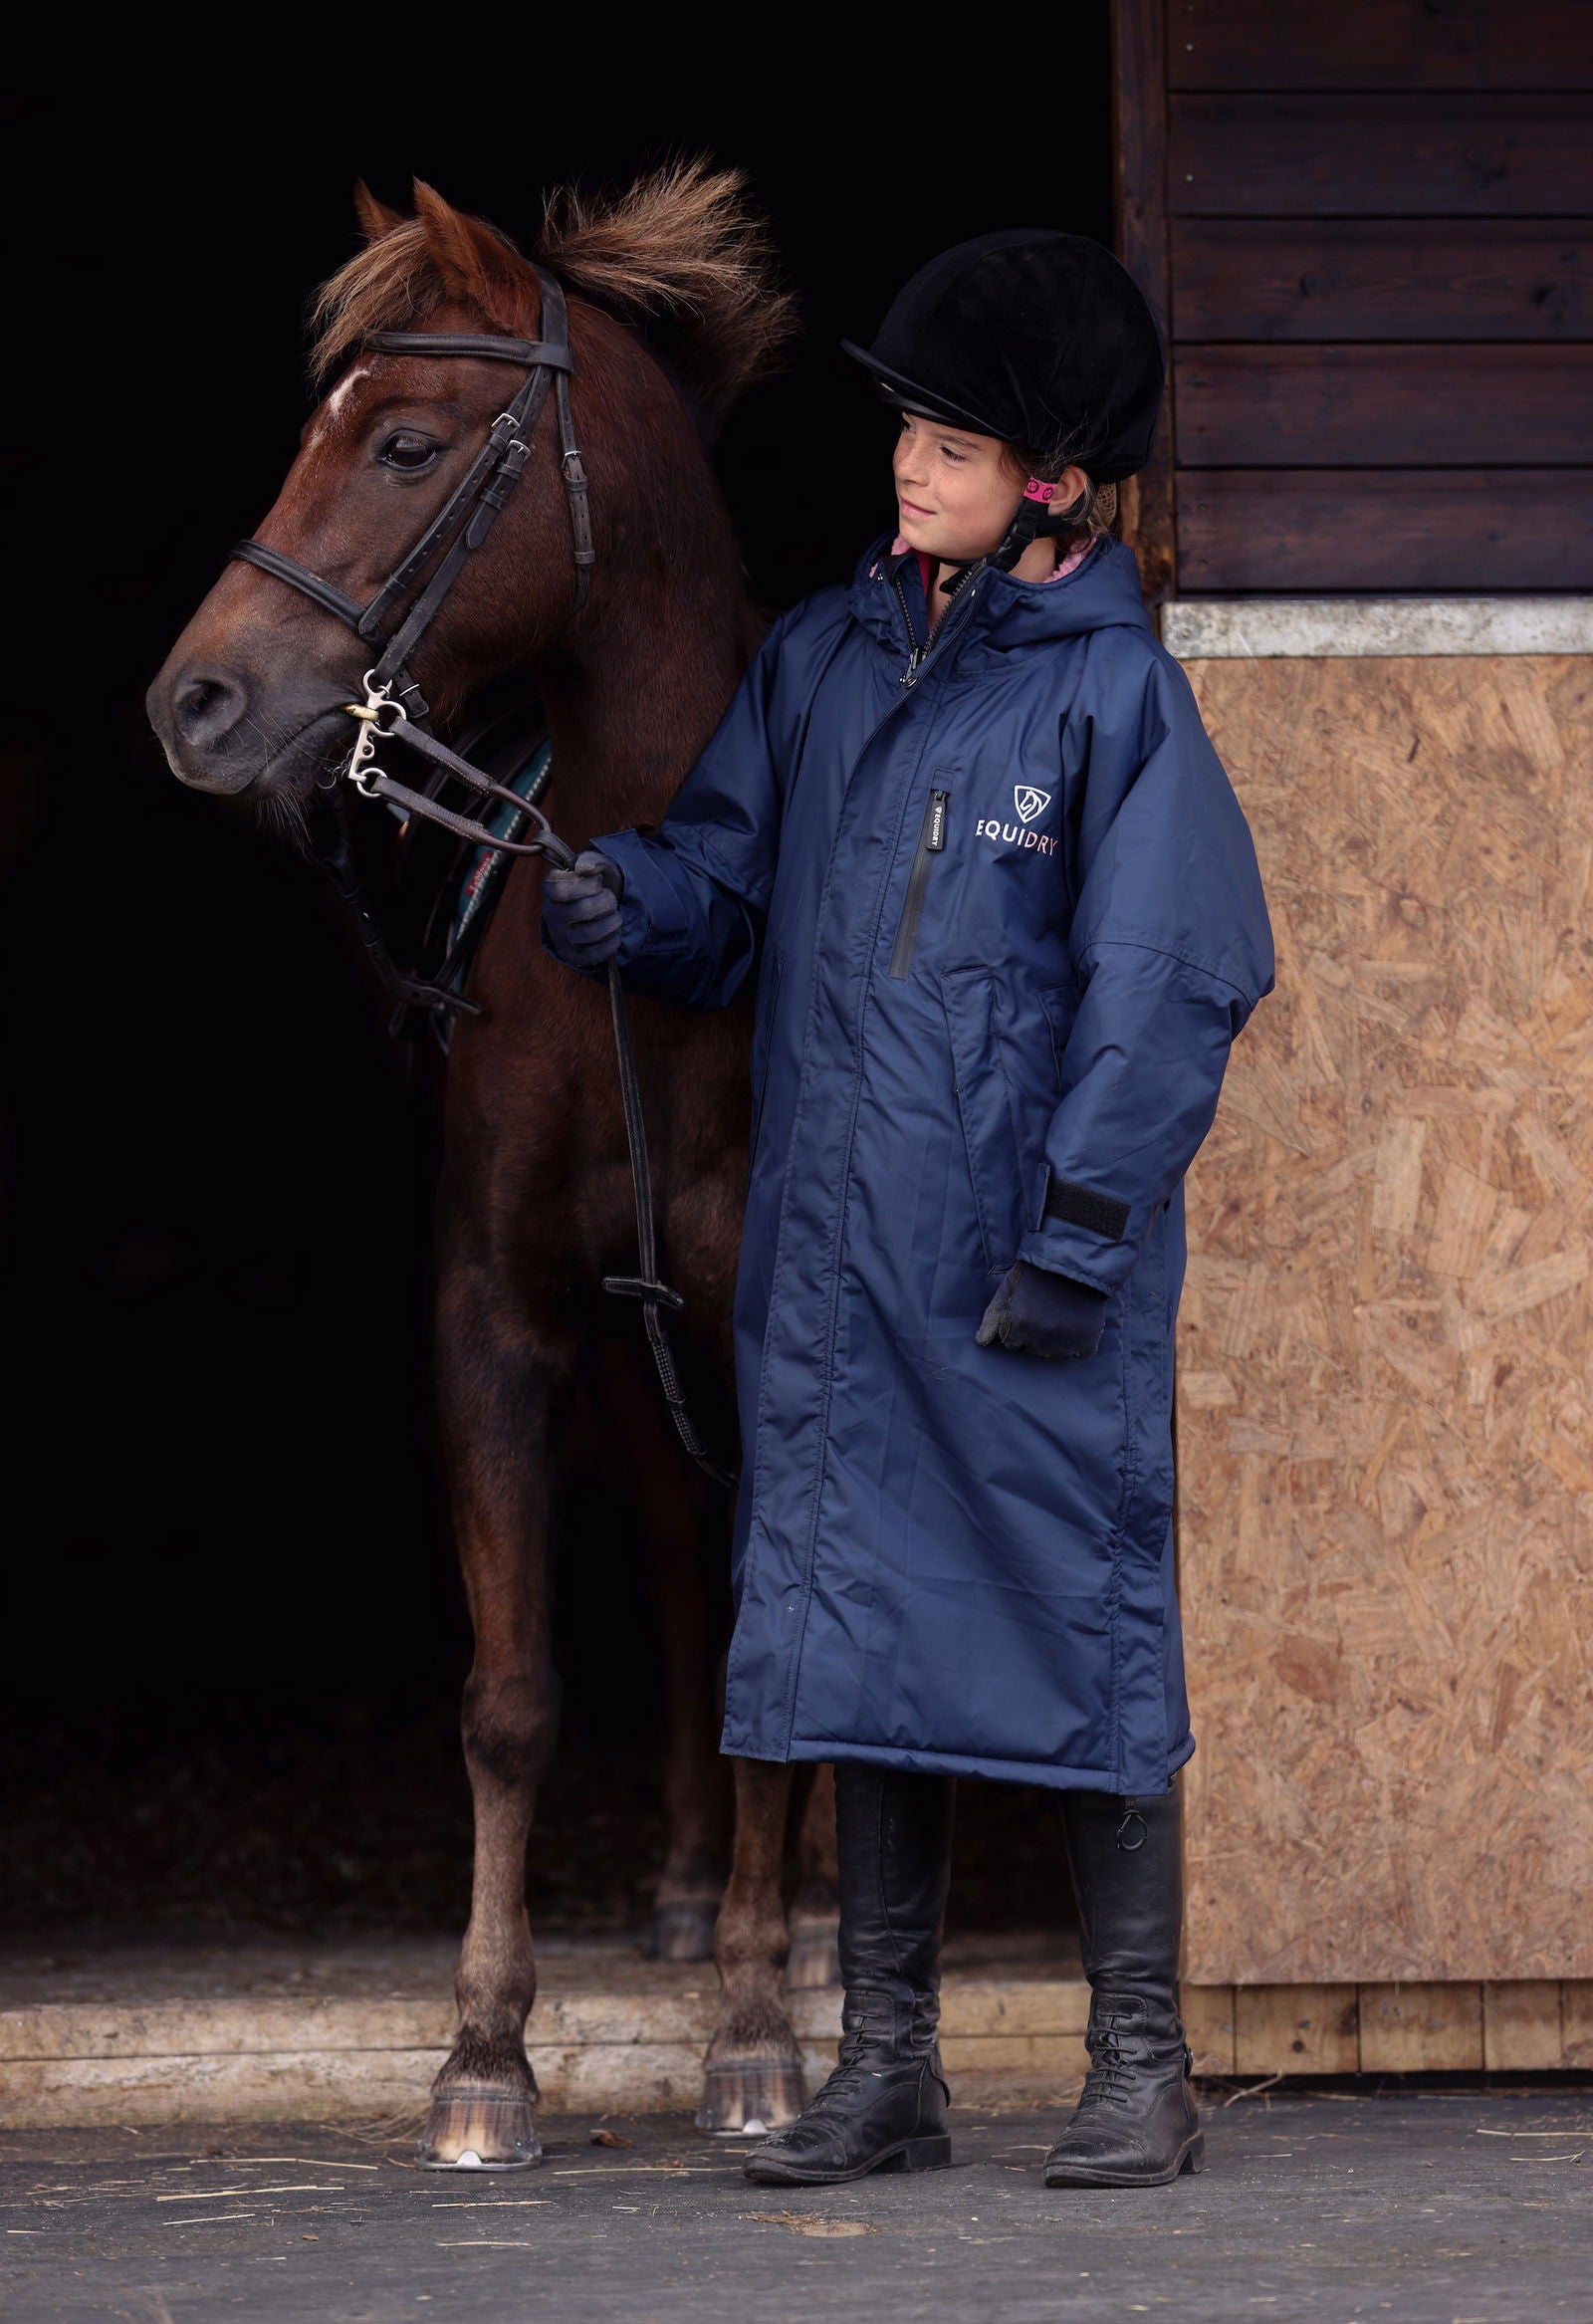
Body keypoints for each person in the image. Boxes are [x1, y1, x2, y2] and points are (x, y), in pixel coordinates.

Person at [541, 229, 1275, 2191]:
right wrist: (639, 901)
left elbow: (1172, 979)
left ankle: (1139, 2067)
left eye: (947, 440)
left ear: (1049, 476)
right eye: (901, 429)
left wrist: (1080, 1230)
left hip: (1026, 1278)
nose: (903, 463)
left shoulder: (1111, 707)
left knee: (1083, 1634)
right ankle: (890, 2072)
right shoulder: (823, 660)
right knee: (862, 1643)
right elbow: (727, 873)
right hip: (840, 1277)